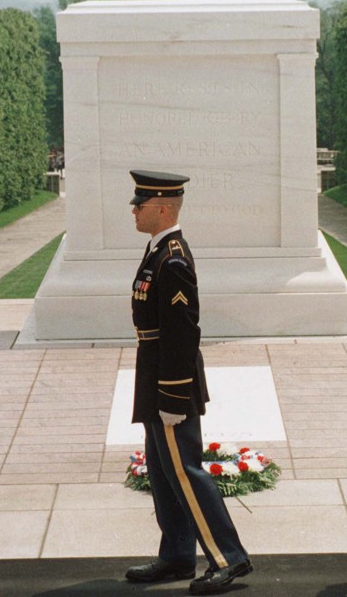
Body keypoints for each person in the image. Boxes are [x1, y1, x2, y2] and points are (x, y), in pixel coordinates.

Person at [123, 170, 252, 595]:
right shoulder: (157, 250)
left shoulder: (172, 259)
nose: (134, 209)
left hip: (169, 379)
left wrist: (174, 394)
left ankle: (228, 558)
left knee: (186, 472)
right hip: (154, 374)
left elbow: (182, 332)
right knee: (163, 474)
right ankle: (177, 555)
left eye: (139, 204)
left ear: (162, 208)